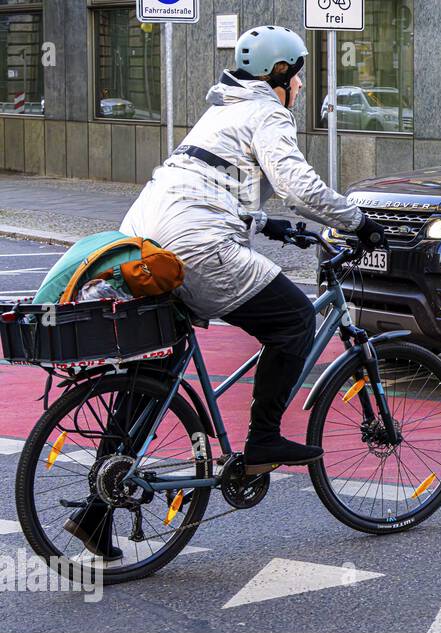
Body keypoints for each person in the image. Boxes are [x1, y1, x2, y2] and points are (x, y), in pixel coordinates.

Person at [66, 26, 385, 560]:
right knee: (294, 321)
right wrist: (358, 222)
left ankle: (95, 510)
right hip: (195, 244)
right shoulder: (266, 111)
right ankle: (263, 441)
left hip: (144, 240)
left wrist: (267, 225)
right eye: (299, 73)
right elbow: (296, 184)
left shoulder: (221, 109)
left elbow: (211, 184)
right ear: (279, 73)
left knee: (159, 372)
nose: (302, 85)